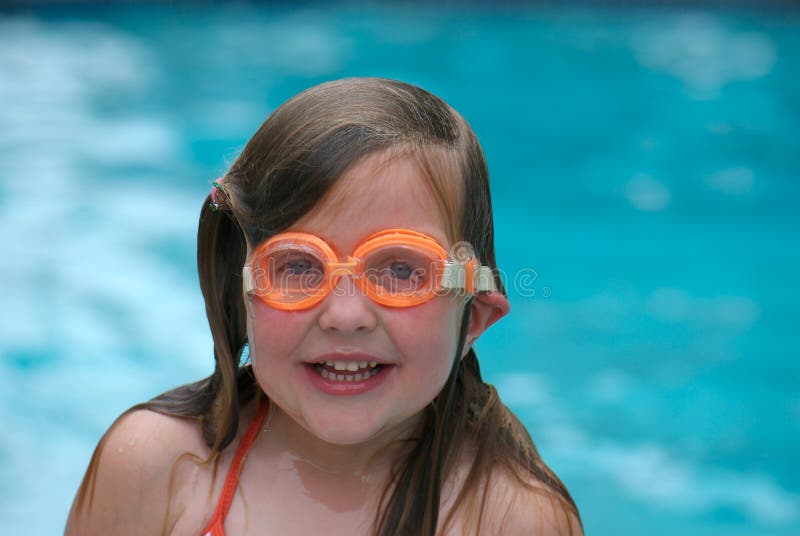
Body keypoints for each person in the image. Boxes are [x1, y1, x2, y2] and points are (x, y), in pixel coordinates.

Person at [65, 77, 582, 536]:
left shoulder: (510, 518)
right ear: (244, 294)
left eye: (400, 271)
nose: (344, 314)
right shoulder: (156, 466)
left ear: (473, 316)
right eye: (298, 267)